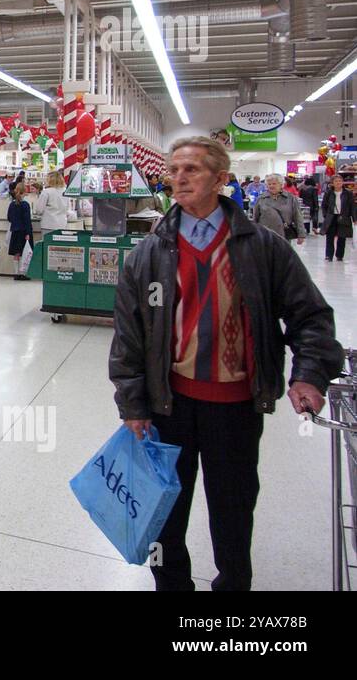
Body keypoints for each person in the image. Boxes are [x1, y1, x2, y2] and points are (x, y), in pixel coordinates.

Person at [110, 136, 342, 592]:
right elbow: (129, 337)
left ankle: (233, 586)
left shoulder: (264, 249)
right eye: (174, 169)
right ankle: (171, 587)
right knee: (164, 512)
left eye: (192, 169)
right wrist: (133, 404)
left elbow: (309, 315)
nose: (179, 177)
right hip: (167, 406)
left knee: (233, 508)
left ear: (221, 180)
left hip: (236, 407)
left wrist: (310, 374)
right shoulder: (148, 253)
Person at [252, 173, 305, 247]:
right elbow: (255, 218)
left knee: (283, 257)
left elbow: (298, 217)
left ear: (281, 184)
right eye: (269, 184)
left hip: (283, 235)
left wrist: (301, 234)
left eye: (274, 183)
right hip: (265, 235)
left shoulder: (290, 198)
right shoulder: (261, 198)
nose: (271, 186)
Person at [320, 174, 354, 262]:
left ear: (342, 182)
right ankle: (328, 256)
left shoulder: (348, 193)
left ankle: (339, 255)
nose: (338, 183)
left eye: (340, 181)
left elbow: (352, 206)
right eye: (336, 181)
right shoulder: (328, 193)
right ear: (332, 183)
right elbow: (324, 205)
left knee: (342, 237)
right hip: (331, 217)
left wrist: (354, 218)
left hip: (343, 217)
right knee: (330, 237)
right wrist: (325, 215)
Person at [7, 183, 34, 281]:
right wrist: (28, 233)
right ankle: (23, 273)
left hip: (15, 231)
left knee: (16, 253)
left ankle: (16, 273)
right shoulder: (25, 205)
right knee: (24, 253)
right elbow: (27, 220)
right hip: (23, 231)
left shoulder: (12, 204)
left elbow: (9, 218)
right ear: (24, 192)